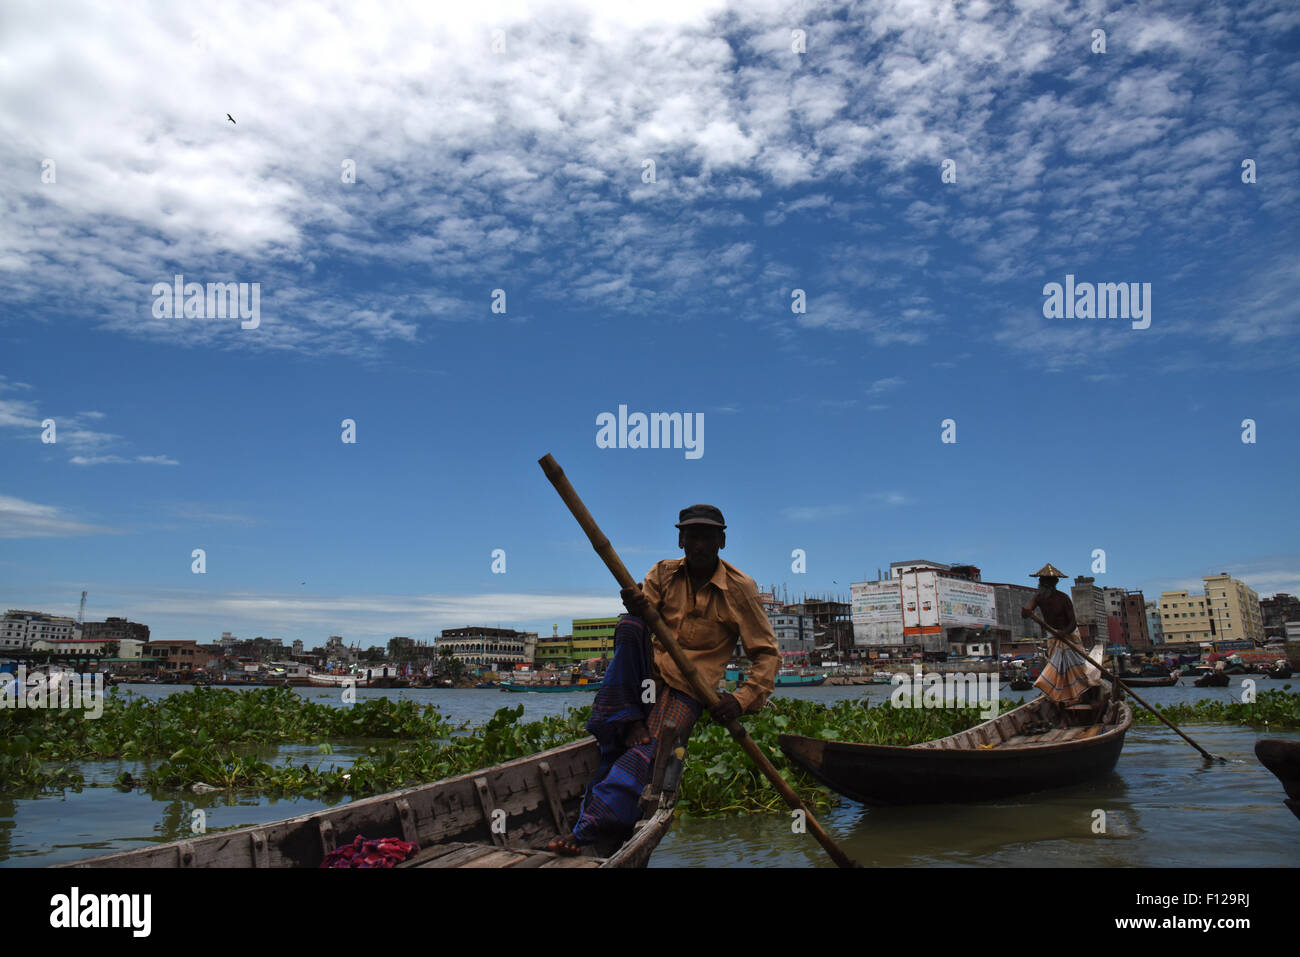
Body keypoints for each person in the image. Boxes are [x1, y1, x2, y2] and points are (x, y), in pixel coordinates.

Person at [547, 504, 779, 855]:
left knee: (642, 755)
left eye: (707, 538)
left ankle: (587, 830)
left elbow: (766, 653)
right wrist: (637, 604)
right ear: (681, 540)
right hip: (648, 674)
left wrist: (740, 699)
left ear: (722, 542)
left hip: (689, 689)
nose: (699, 545)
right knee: (628, 625)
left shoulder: (739, 589)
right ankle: (629, 720)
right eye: (692, 537)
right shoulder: (663, 573)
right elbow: (642, 618)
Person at [1021, 563, 1103, 722]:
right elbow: (1027, 611)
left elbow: (1073, 622)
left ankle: (1090, 697)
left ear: (1054, 584)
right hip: (1053, 639)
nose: (1043, 585)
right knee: (1058, 673)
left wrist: (1063, 633)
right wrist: (1026, 611)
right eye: (1041, 582)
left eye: (1047, 583)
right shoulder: (1038, 598)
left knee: (1080, 667)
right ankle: (1063, 712)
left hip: (1069, 636)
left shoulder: (1063, 598)